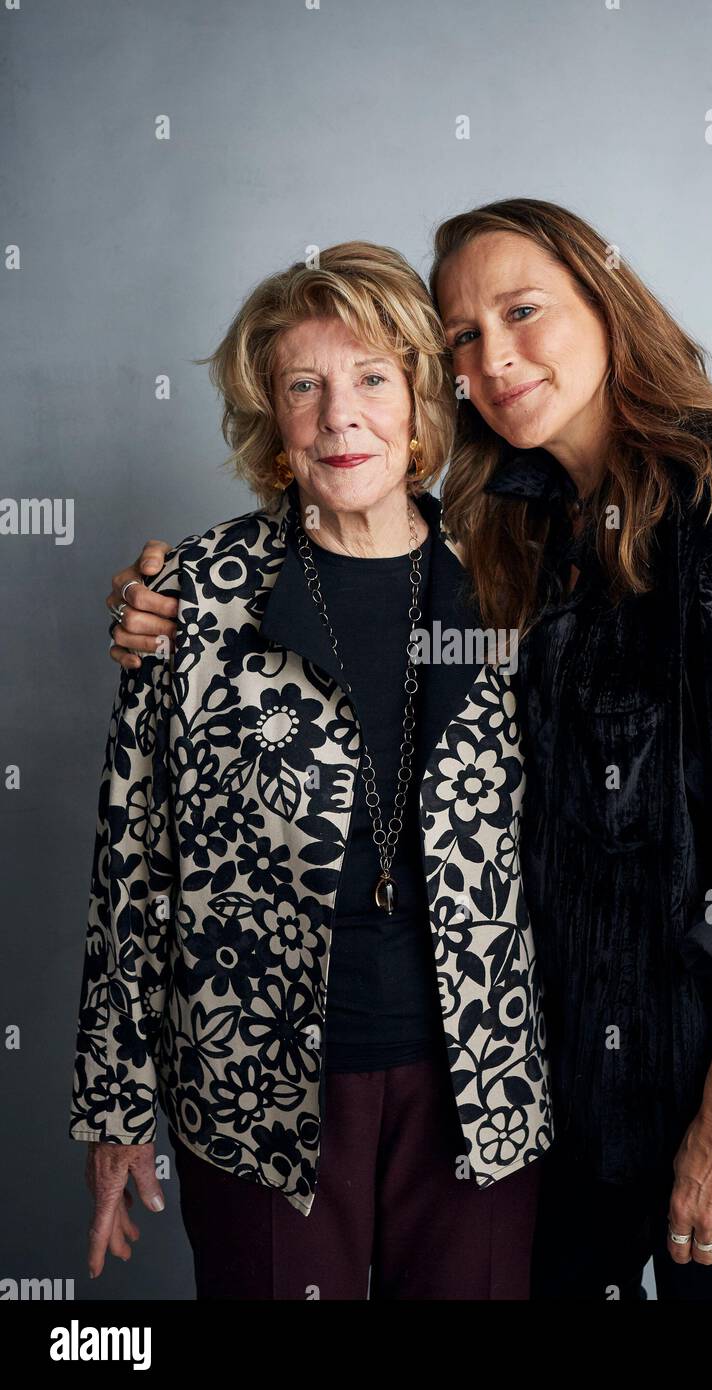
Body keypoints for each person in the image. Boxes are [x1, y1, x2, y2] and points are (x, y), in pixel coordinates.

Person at [107, 198, 712, 1301]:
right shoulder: (517, 525)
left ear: (607, 305)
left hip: (706, 1079)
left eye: (523, 312)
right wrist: (182, 592)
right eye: (465, 336)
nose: (495, 356)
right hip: (554, 1082)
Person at [70, 242, 552, 1300]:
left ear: (423, 401)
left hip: (480, 1080)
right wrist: (115, 1111)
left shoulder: (514, 575)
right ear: (273, 421)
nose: (341, 416)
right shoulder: (192, 595)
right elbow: (132, 869)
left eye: (372, 378)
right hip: (255, 1085)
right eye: (305, 385)